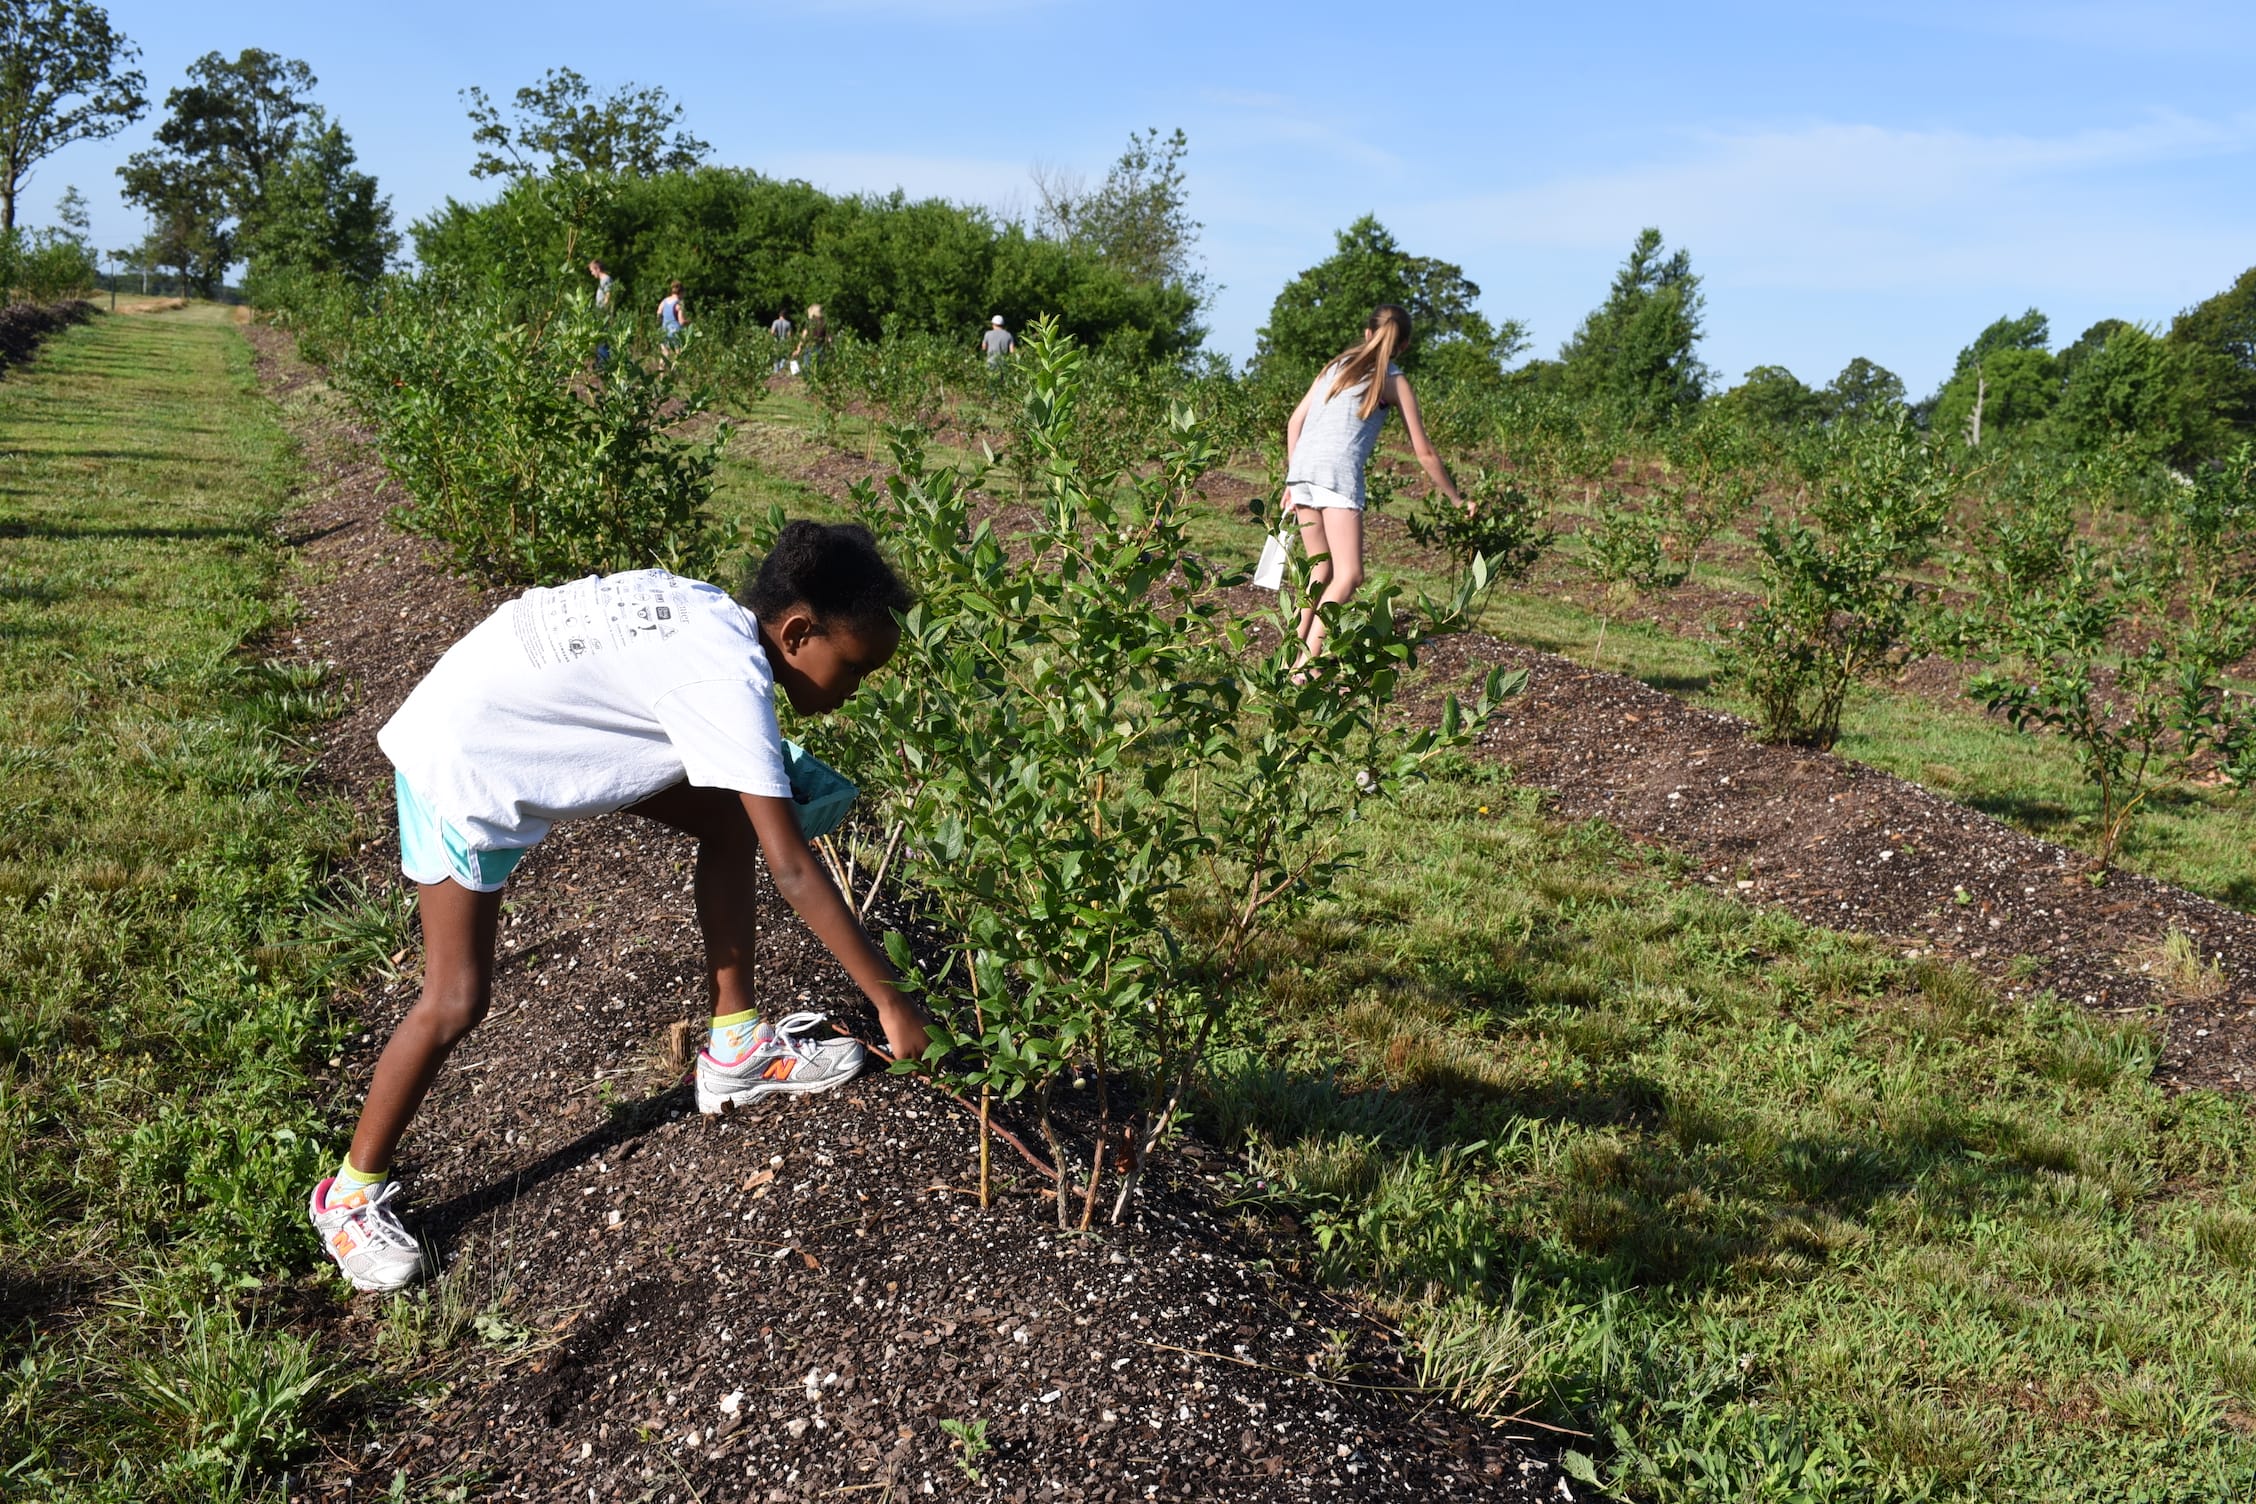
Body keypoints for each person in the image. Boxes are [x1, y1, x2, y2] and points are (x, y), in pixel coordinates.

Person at [308, 524, 933, 1293]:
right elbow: (793, 870)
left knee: (729, 818)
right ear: (799, 633)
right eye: (855, 671)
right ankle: (348, 1196)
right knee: (455, 998)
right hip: (462, 767)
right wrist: (891, 1001)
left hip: (490, 712)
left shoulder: (714, 622)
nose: (854, 692)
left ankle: (736, 1050)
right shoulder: (726, 681)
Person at [1280, 303, 1467, 670]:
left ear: (1368, 333)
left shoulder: (1333, 367)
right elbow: (1424, 452)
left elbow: (1293, 423)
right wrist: (1457, 498)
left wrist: (1291, 477)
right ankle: (1303, 667)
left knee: (1319, 570)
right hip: (1337, 475)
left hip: (1302, 469)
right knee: (1349, 574)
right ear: (1406, 345)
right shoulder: (1394, 380)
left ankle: (1288, 659)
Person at [589, 259, 618, 367]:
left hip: (603, 314)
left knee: (602, 339)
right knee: (599, 339)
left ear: (597, 269)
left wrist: (604, 312)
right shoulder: (602, 280)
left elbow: (608, 295)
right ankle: (600, 363)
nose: (592, 273)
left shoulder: (606, 279)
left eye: (592, 270)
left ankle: (604, 364)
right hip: (600, 313)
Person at [792, 303, 830, 376]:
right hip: (821, 348)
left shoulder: (810, 323)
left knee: (808, 368)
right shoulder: (825, 323)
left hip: (810, 348)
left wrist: (798, 350)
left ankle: (808, 382)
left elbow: (803, 337)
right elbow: (829, 339)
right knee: (819, 368)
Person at [657, 281, 689, 363]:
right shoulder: (679, 304)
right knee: (678, 356)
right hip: (676, 332)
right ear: (681, 292)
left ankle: (661, 375)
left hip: (665, 331)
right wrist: (689, 322)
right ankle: (675, 374)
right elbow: (681, 321)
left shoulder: (664, 301)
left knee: (664, 355)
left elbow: (659, 313)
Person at [769, 307, 794, 373]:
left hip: (777, 341)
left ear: (779, 314)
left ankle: (776, 371)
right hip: (784, 342)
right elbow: (789, 335)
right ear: (785, 315)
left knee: (776, 357)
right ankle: (781, 370)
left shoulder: (775, 322)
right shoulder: (788, 323)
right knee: (784, 357)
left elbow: (772, 333)